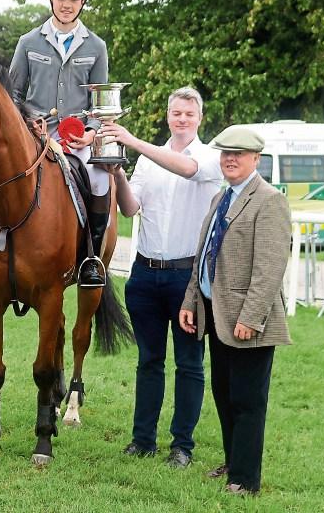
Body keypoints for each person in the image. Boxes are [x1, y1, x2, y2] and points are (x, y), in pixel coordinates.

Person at [98, 87, 222, 467]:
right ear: (167, 116)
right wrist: (118, 173)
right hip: (145, 274)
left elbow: (186, 169)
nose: (181, 119)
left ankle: (182, 446)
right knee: (149, 361)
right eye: (176, 113)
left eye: (188, 113)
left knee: (189, 364)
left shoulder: (209, 157)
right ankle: (143, 440)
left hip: (187, 277)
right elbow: (130, 208)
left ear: (199, 118)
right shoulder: (147, 162)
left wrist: (131, 140)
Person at [179, 125, 291, 495]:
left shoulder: (270, 201)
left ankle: (245, 480)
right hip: (216, 314)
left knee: (247, 400)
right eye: (225, 153)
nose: (230, 159)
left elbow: (270, 268)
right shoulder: (221, 197)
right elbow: (204, 257)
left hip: (247, 320)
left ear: (255, 159)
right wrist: (191, 300)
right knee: (225, 394)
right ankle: (233, 462)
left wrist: (251, 317)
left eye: (238, 154)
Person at [9, 0, 110, 287]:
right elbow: (13, 95)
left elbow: (99, 101)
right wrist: (28, 124)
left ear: (83, 2)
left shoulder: (96, 47)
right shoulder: (28, 42)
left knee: (100, 179)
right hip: (34, 134)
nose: (67, 4)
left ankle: (91, 258)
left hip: (76, 138)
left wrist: (91, 132)